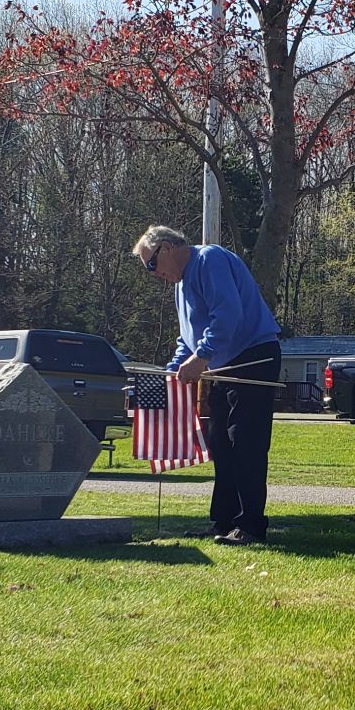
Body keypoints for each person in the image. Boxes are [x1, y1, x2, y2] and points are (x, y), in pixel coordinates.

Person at [132, 225, 283, 545]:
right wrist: (174, 369)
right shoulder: (180, 285)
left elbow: (227, 315)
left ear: (168, 248)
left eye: (152, 264)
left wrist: (201, 358)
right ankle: (223, 522)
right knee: (221, 445)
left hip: (252, 358)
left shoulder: (209, 259)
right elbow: (188, 338)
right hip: (222, 367)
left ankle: (251, 526)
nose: (153, 273)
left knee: (246, 443)